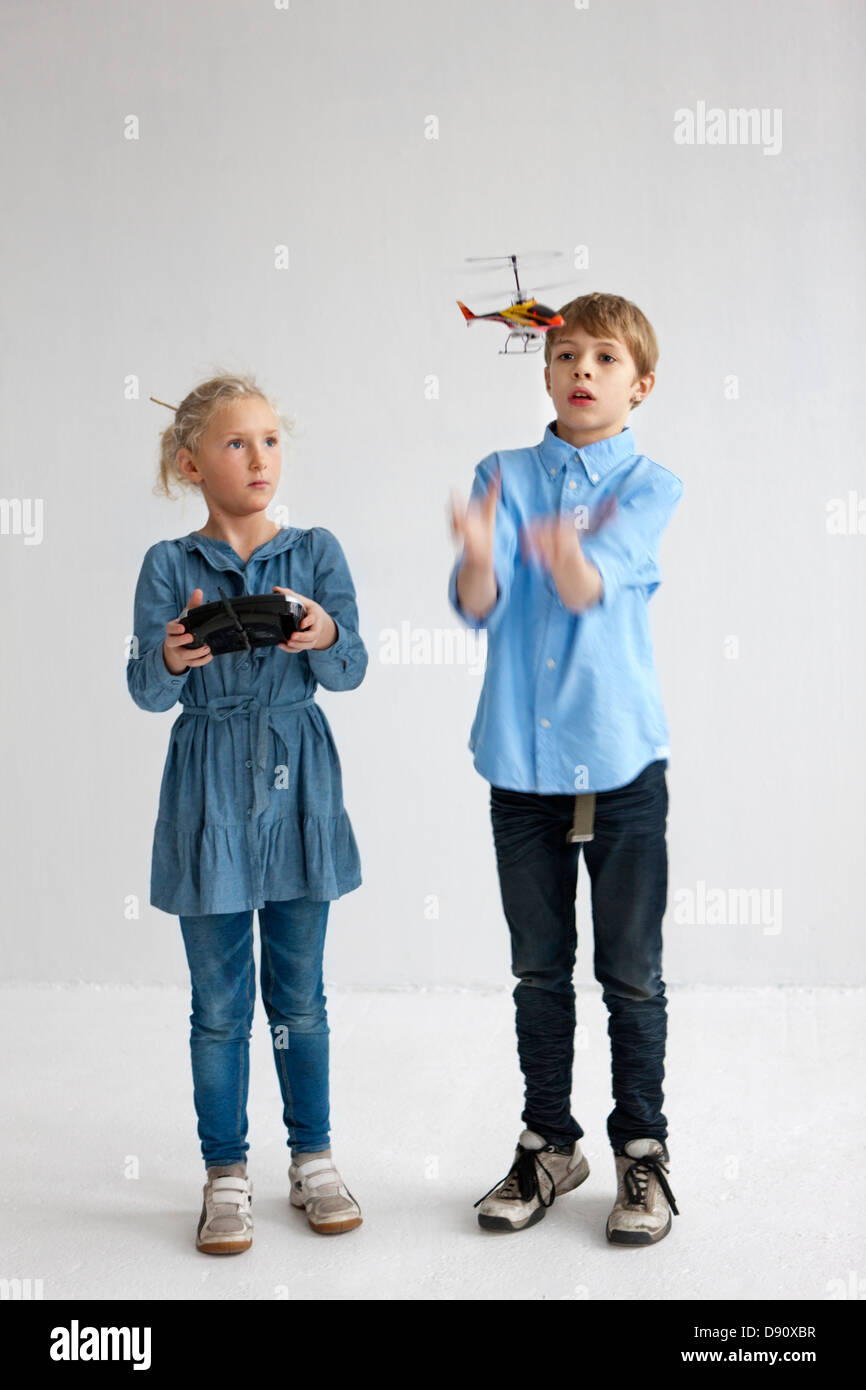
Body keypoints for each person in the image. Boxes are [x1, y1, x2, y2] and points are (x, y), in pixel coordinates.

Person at [448, 293, 683, 1245]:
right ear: (545, 374)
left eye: (605, 359)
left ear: (640, 385)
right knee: (538, 971)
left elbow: (593, 581)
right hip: (521, 766)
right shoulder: (499, 472)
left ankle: (643, 1153)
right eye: (566, 356)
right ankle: (550, 1144)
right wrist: (477, 550)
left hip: (622, 766)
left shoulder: (650, 485)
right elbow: (476, 602)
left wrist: (560, 548)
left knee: (631, 974)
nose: (583, 371)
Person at [127, 373, 366, 1253]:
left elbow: (351, 671)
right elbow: (145, 691)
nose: (259, 457)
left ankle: (314, 1160)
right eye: (236, 443)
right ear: (191, 462)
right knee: (219, 1004)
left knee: (299, 998)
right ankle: (225, 1174)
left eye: (269, 439)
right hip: (208, 789)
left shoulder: (316, 551)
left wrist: (325, 635)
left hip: (299, 780)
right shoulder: (168, 564)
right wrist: (175, 654)